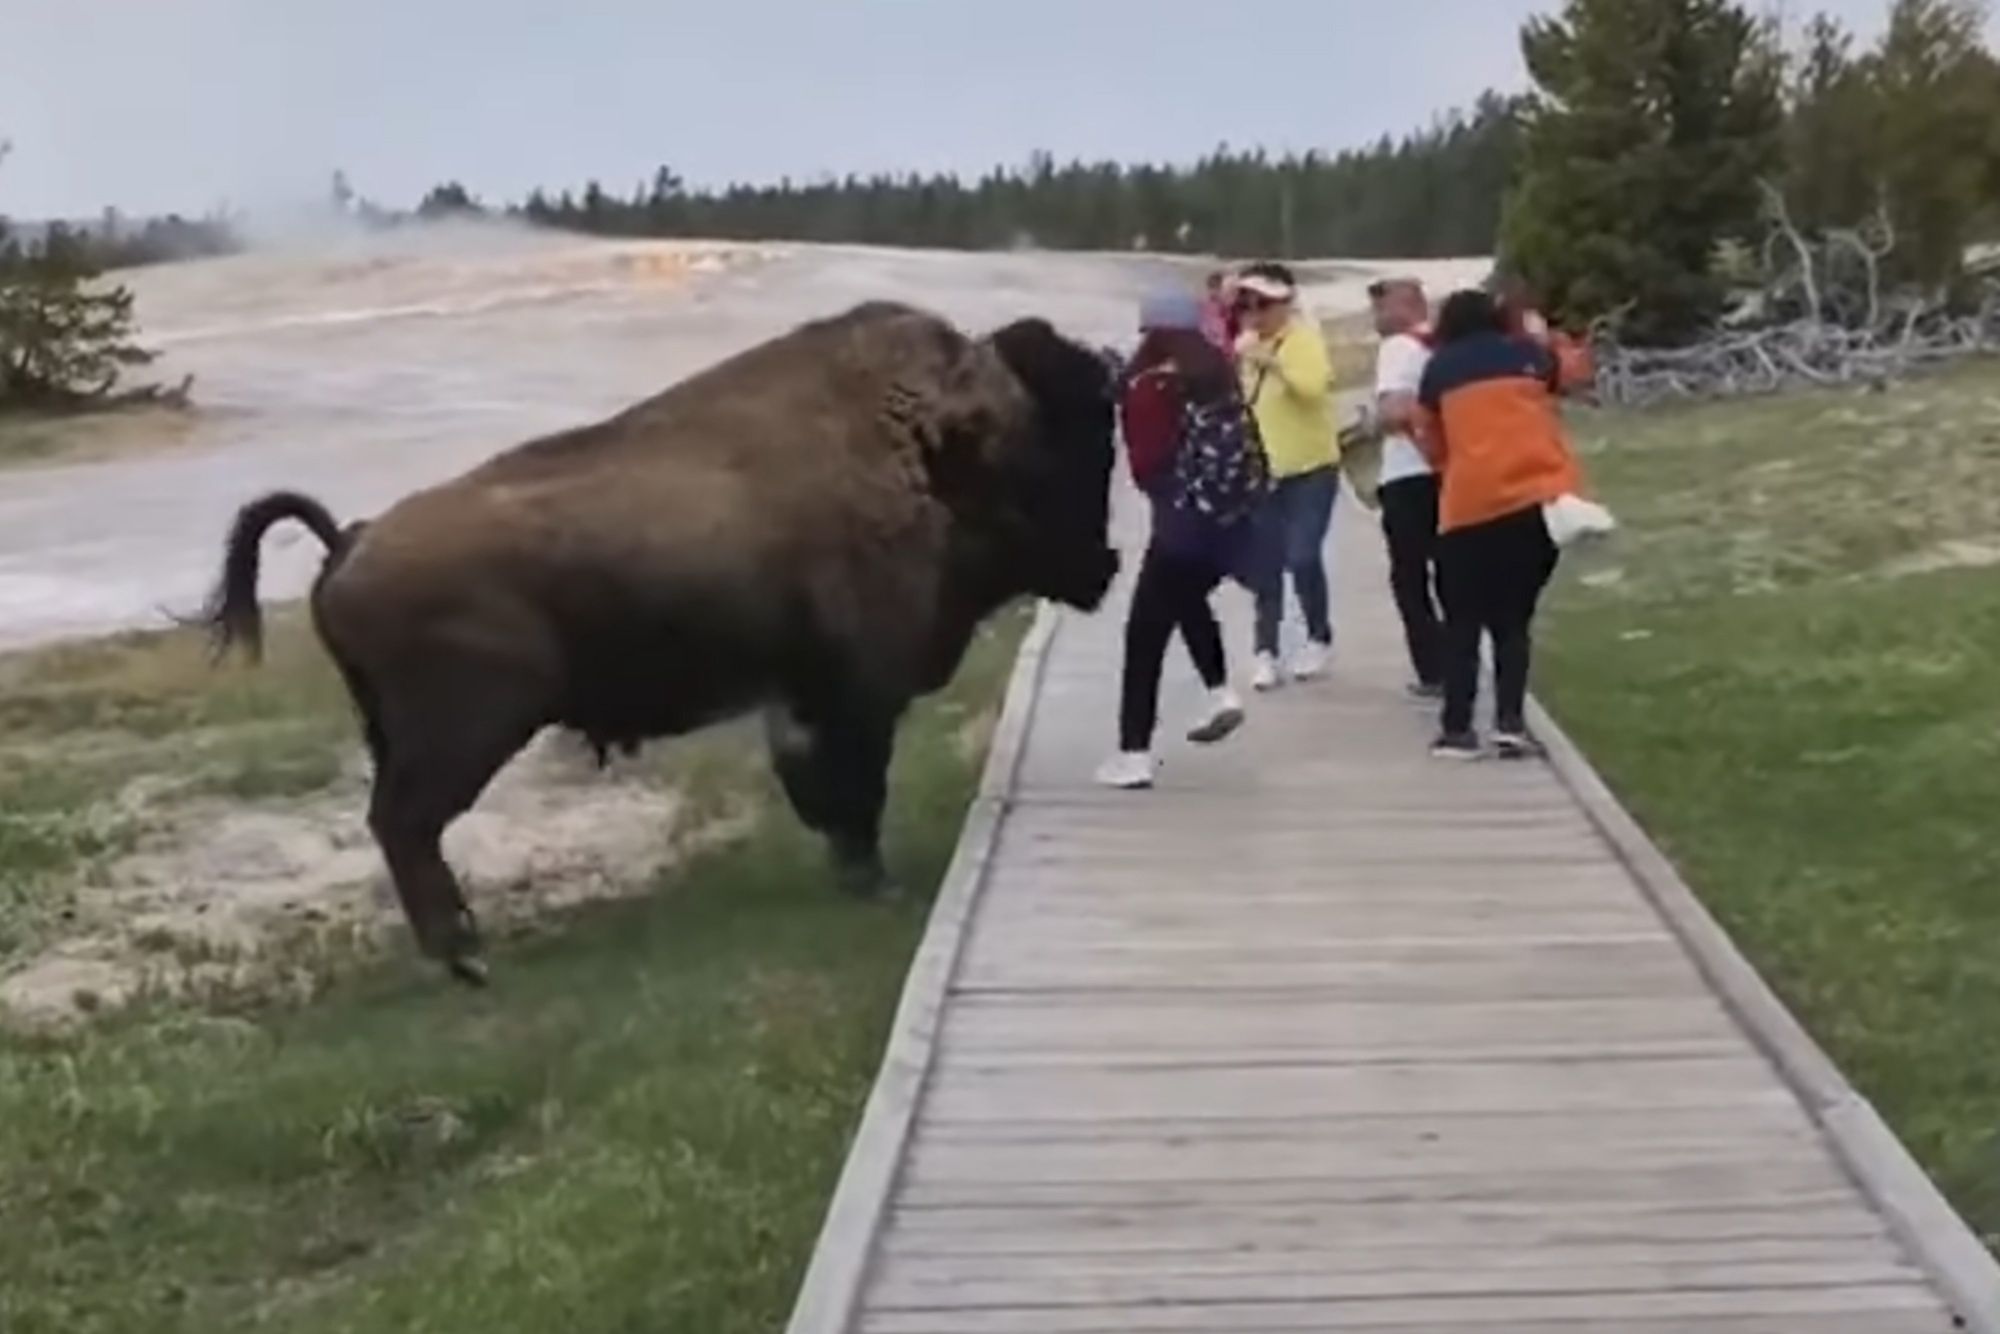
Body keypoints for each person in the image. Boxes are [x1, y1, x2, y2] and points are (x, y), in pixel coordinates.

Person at [1096, 288, 1264, 790]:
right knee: (1188, 602)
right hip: (1229, 523)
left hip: (1181, 528)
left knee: (1143, 636)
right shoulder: (1216, 373)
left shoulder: (1152, 383)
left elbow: (1148, 463)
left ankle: (1133, 754)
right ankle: (1218, 693)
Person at [1416, 287, 1587, 760]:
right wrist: (1543, 332)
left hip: (1467, 505)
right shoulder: (1528, 356)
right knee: (1513, 621)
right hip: (1531, 504)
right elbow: (1573, 374)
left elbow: (1430, 443)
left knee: (1462, 623)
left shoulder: (1439, 370)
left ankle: (1457, 730)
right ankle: (1510, 723)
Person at [1235, 261, 1338, 690]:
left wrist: (1269, 362)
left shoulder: (1303, 341)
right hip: (1265, 472)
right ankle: (1266, 651)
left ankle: (1318, 635)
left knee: (1303, 556)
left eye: (1262, 303)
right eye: (1247, 305)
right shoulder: (1246, 349)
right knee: (1265, 566)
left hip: (1311, 468)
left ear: (1284, 304)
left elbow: (1312, 389)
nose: (1254, 313)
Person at [1366, 277, 1443, 698]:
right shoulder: (1436, 347)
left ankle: (1433, 668)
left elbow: (1394, 411)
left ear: (1409, 305)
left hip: (1407, 474)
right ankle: (1461, 655)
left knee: (1409, 578)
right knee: (1448, 571)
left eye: (1382, 308)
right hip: (1443, 469)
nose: (1377, 318)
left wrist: (1371, 422)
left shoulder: (1397, 348)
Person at [1200, 270, 1240, 355]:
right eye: (1232, 290)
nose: (1237, 294)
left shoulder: (1237, 314)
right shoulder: (1201, 312)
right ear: (1215, 291)